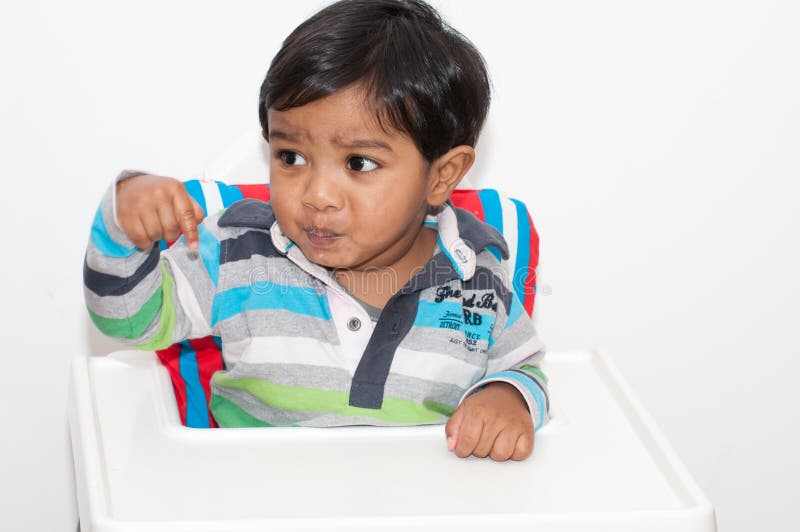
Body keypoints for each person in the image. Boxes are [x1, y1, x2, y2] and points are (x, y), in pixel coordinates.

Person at [84, 0, 550, 461]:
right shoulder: (237, 257)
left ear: (441, 176)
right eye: (291, 157)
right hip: (257, 502)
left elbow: (523, 367)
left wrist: (508, 397)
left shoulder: (478, 278)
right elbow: (129, 319)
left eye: (359, 163)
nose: (317, 194)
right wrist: (124, 226)